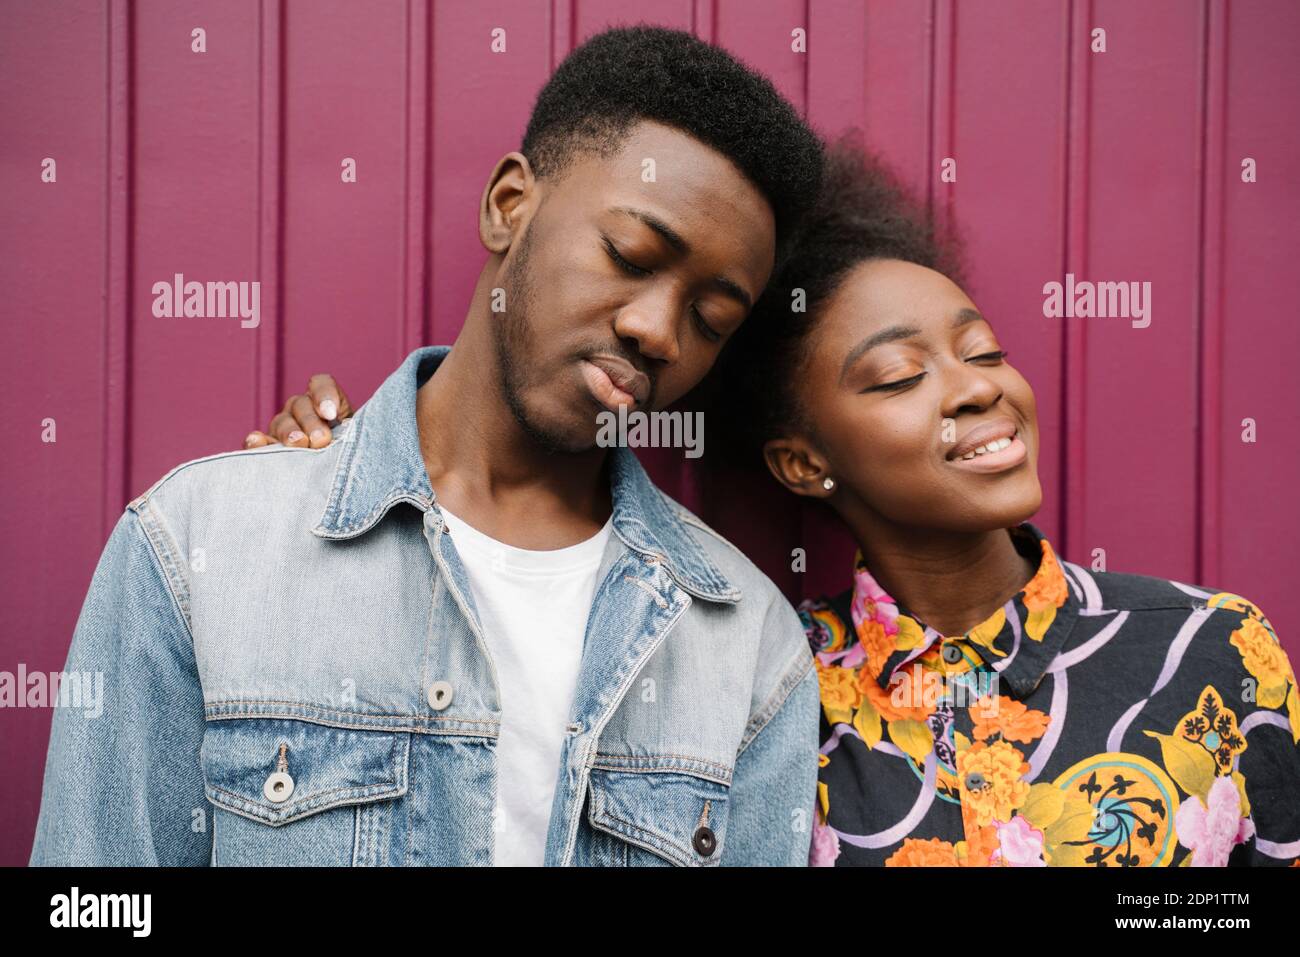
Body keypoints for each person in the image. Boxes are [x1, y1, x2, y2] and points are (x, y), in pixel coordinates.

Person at [277, 137, 1300, 867]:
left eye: (982, 351)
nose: (978, 386)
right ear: (803, 464)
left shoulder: (1209, 650)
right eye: (900, 377)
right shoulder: (749, 684)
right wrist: (347, 477)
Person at [28, 25, 826, 867]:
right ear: (509, 207)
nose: (656, 330)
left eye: (712, 319)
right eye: (628, 255)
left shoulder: (749, 653)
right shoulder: (198, 546)